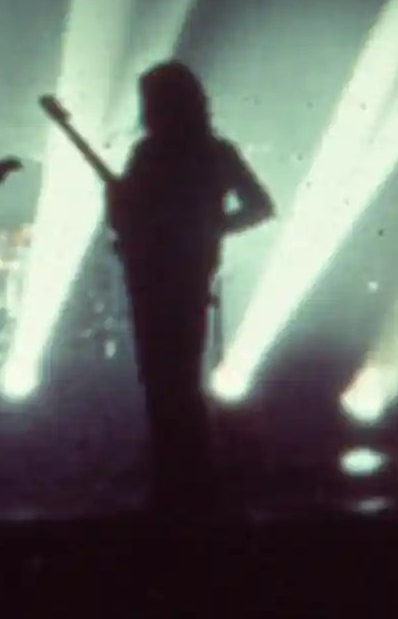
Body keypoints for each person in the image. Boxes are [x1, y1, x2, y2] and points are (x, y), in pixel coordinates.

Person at [106, 63, 274, 515]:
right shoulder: (207, 152)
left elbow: (260, 206)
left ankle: (183, 485)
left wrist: (203, 226)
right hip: (169, 275)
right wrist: (208, 227)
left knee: (168, 381)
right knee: (173, 381)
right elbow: (258, 207)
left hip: (169, 278)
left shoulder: (159, 153)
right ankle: (184, 482)